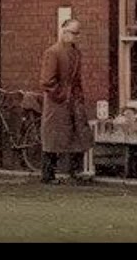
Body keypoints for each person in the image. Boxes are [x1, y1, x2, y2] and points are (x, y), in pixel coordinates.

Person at [38, 18, 93, 184]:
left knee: (79, 134)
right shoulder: (53, 52)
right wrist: (61, 95)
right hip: (57, 103)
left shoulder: (76, 53)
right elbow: (47, 81)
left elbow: (77, 80)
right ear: (64, 31)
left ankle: (74, 171)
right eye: (73, 33)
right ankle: (48, 175)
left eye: (78, 33)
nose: (76, 36)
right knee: (53, 139)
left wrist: (78, 98)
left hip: (73, 101)